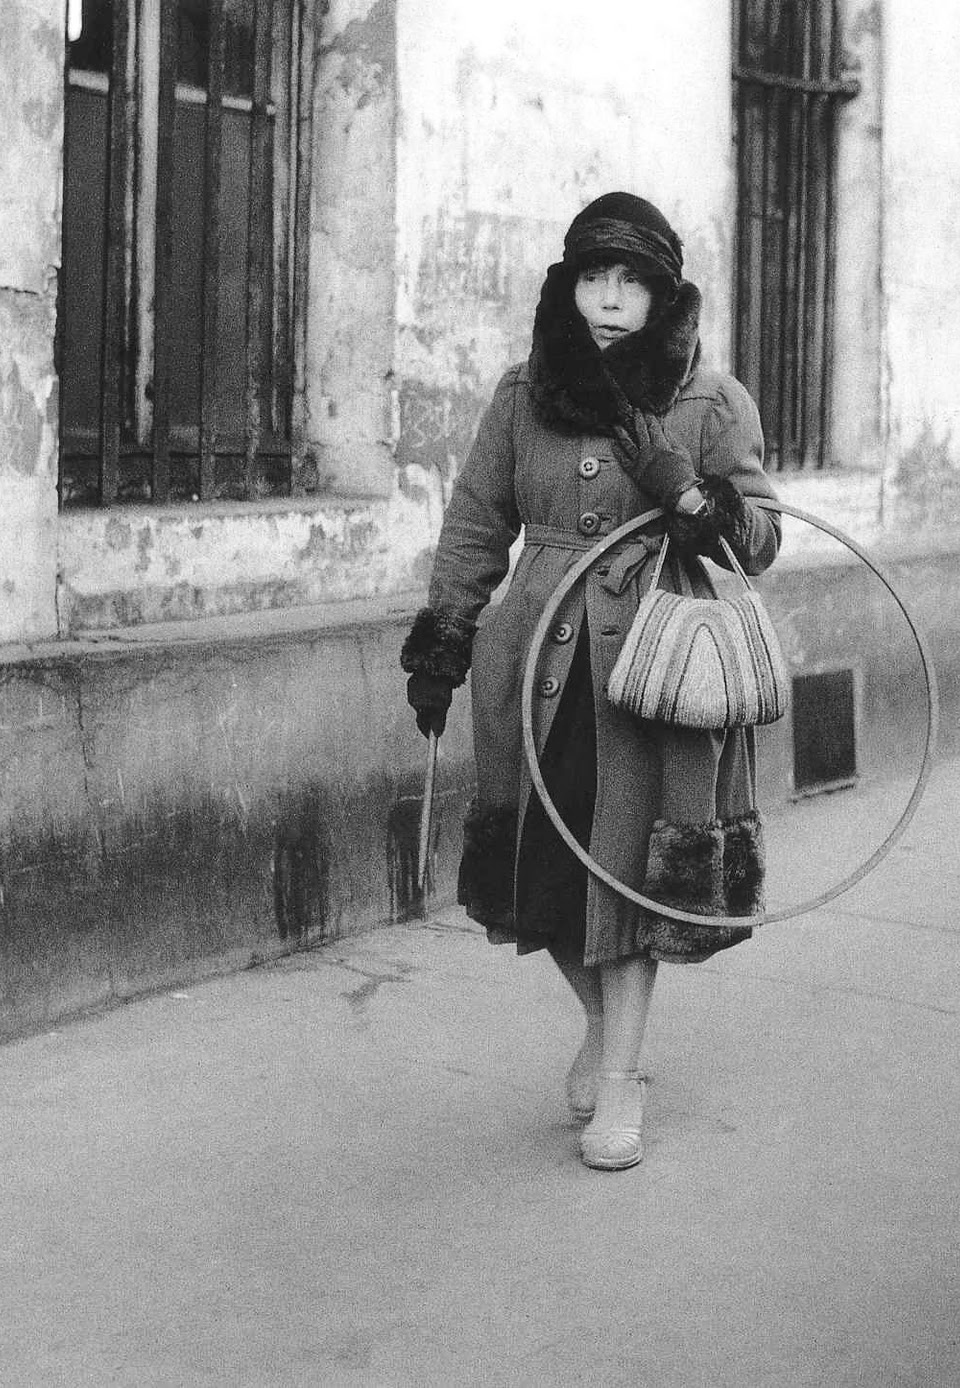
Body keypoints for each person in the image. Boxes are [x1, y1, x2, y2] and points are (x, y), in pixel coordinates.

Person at [399, 191, 780, 1171]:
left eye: (631, 283)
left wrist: (698, 505)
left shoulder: (706, 398)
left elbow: (764, 536)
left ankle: (622, 1079)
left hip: (647, 671)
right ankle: (599, 1027)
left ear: (663, 296)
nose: (609, 300)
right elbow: (477, 521)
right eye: (592, 279)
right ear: (567, 288)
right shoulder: (520, 393)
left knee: (625, 874)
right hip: (532, 661)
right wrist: (445, 636)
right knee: (545, 871)